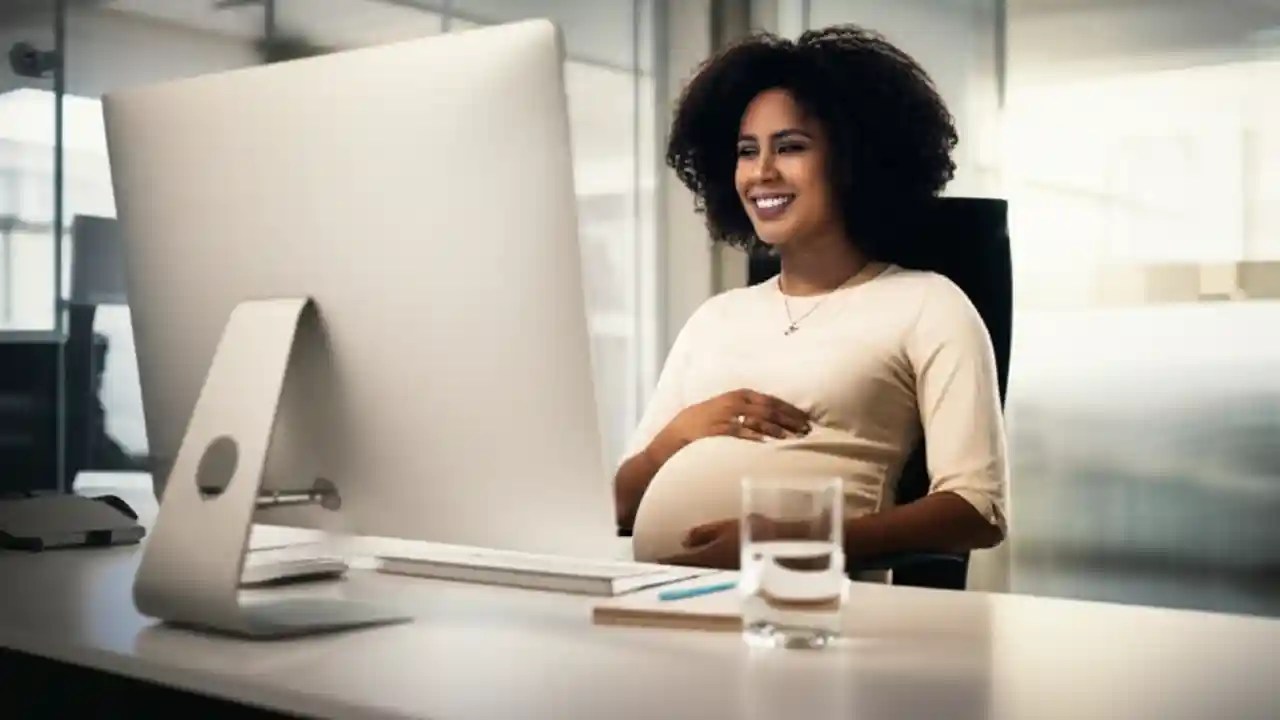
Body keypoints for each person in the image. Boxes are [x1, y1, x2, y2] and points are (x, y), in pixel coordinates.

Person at [614, 24, 1008, 570]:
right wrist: (680, 434)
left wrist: (795, 540)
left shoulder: (929, 304)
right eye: (747, 151)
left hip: (809, 618)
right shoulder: (716, 317)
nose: (761, 173)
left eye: (790, 147)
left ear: (854, 160)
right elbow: (620, 505)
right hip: (653, 610)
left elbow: (977, 511)